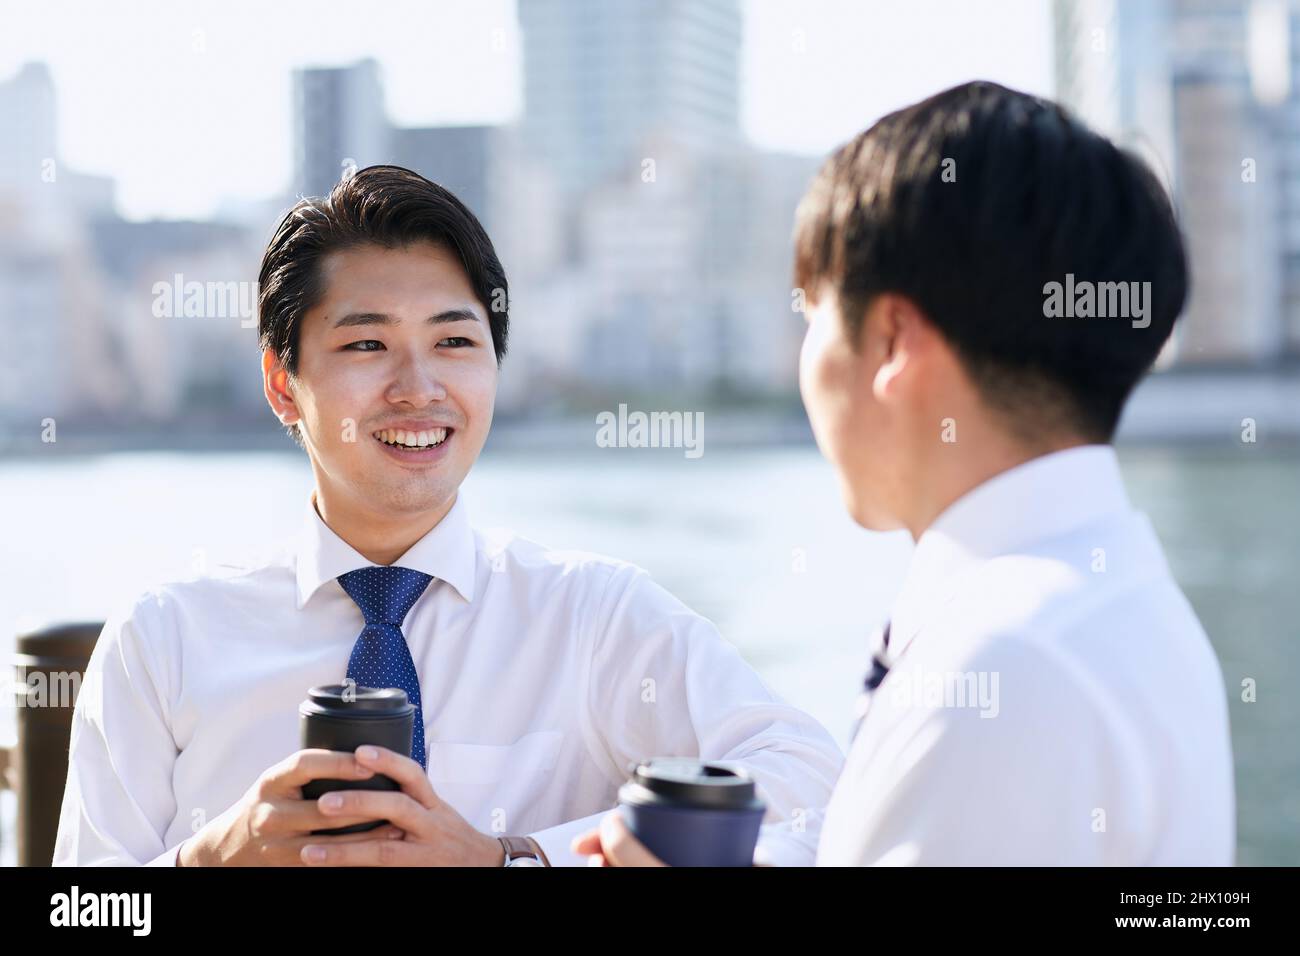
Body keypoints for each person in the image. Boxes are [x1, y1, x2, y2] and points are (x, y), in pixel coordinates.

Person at [52, 165, 843, 867]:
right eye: (367, 345)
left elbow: (811, 785)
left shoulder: (593, 617)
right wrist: (213, 859)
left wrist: (515, 859)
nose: (418, 388)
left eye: (456, 341)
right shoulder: (165, 638)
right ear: (283, 384)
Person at [574, 81, 1236, 866]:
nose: (803, 358)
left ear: (890, 339)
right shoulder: (1120, 602)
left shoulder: (1000, 668)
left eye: (812, 312)